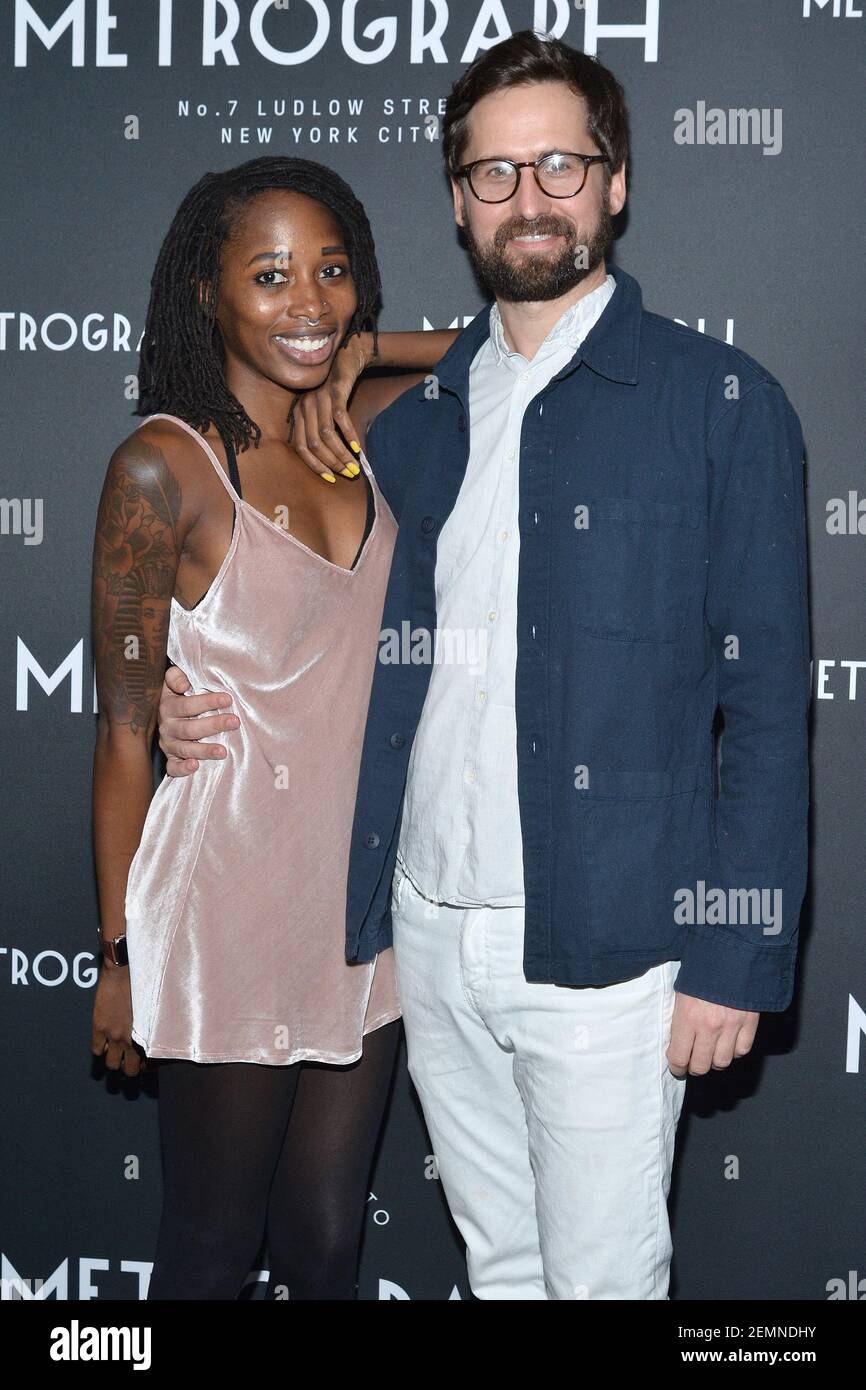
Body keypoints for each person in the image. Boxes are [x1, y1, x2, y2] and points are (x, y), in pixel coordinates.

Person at [157, 33, 810, 1300]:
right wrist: (194, 708)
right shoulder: (411, 431)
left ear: (614, 182)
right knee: (500, 1268)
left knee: (601, 1279)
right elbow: (321, 641)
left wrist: (738, 956)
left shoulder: (718, 402)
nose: (530, 199)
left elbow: (768, 708)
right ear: (456, 198)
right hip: (425, 941)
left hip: (607, 954)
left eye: (560, 164)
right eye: (494, 172)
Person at [89, 155, 459, 1300]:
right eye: (270, 275)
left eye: (332, 273)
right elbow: (121, 736)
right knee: (209, 1247)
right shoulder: (163, 469)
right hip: (227, 908)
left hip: (363, 907)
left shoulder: (371, 427)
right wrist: (116, 959)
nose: (308, 301)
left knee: (324, 1242)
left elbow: (509, 350)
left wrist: (359, 358)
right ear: (207, 290)